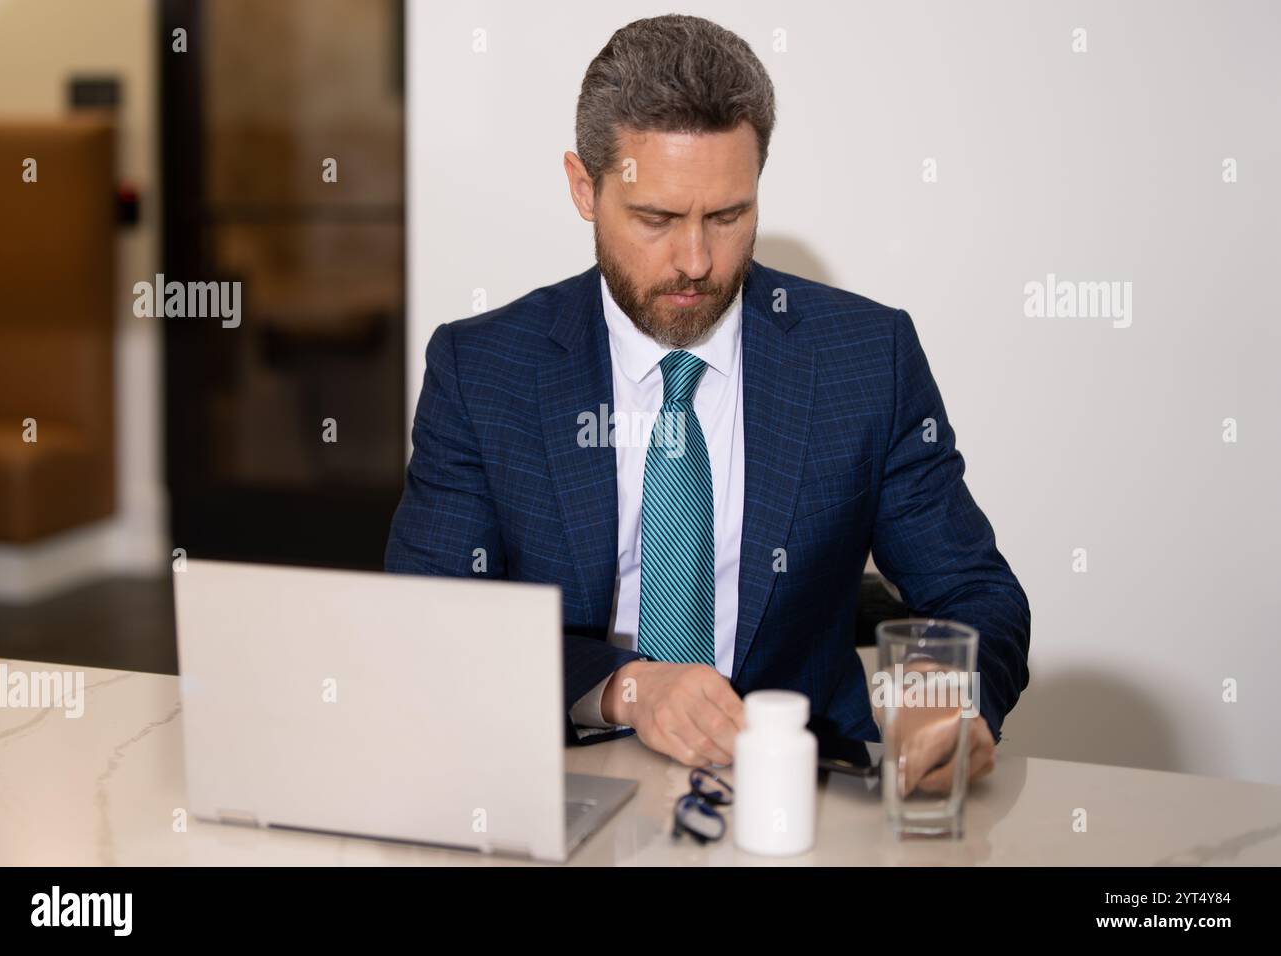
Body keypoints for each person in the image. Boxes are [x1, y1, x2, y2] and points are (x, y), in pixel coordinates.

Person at [386, 14, 1029, 791]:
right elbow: (436, 624)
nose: (696, 262)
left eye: (729, 217)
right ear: (585, 188)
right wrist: (626, 686)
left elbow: (973, 591)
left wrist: (943, 702)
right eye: (656, 219)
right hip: (557, 782)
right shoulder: (484, 369)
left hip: (802, 791)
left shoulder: (866, 357)